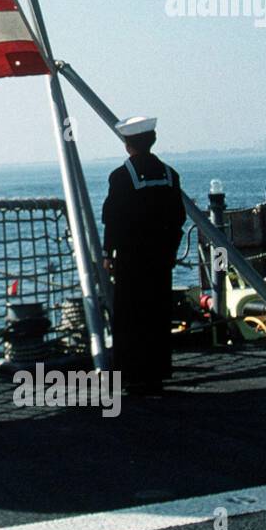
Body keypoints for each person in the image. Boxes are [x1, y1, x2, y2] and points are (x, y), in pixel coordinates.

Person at [101, 116, 186, 394]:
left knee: (129, 315)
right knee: (158, 313)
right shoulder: (170, 175)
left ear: (127, 144)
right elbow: (178, 218)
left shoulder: (121, 177)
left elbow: (112, 219)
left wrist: (107, 253)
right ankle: (157, 371)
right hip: (161, 257)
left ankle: (131, 373)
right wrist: (171, 249)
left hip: (132, 258)